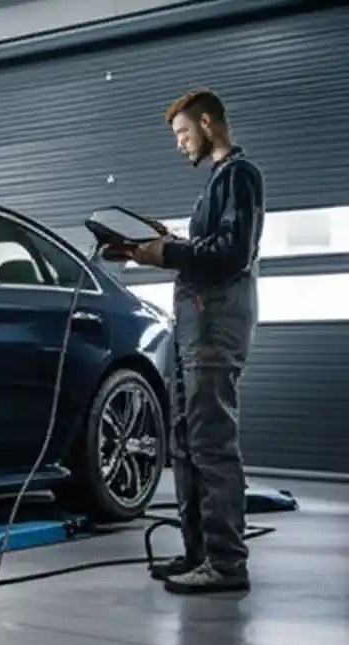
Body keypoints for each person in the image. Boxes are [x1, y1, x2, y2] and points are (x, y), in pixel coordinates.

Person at [118, 88, 265, 594]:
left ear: (207, 123)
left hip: (214, 333)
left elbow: (231, 252)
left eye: (183, 133)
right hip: (193, 332)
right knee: (185, 443)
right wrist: (165, 240)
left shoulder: (240, 176)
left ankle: (226, 565)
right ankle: (198, 554)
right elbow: (208, 244)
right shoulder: (218, 183)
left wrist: (167, 252)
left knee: (211, 445)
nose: (180, 144)